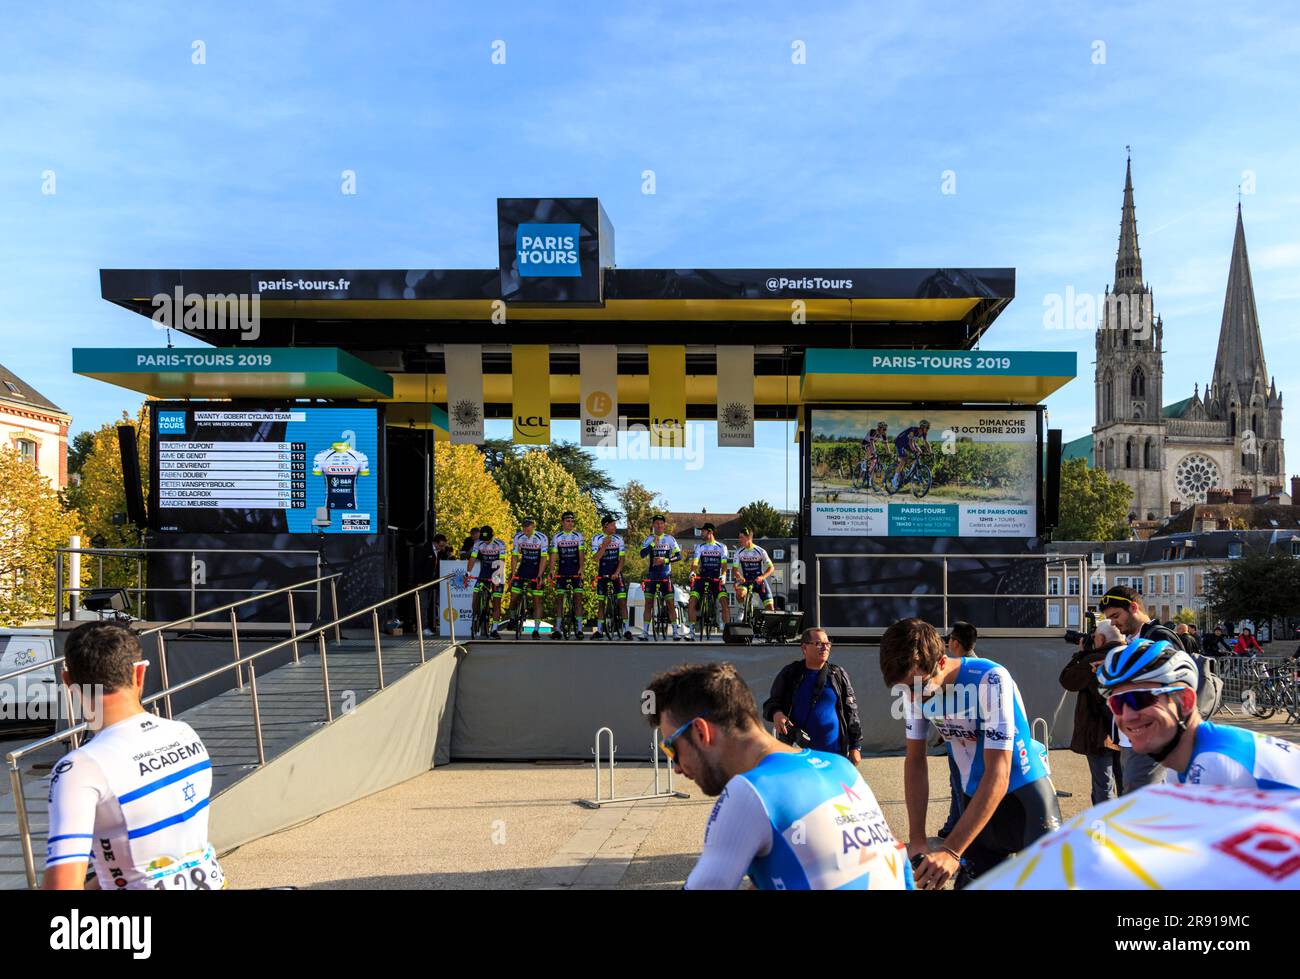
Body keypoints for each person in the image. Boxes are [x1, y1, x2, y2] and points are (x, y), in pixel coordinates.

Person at [646, 661, 912, 890]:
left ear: (702, 732)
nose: (676, 768)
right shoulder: (840, 767)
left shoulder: (749, 791)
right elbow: (899, 866)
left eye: (671, 749)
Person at [879, 617, 1060, 889]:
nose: (913, 698)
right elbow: (915, 761)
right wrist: (917, 838)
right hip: (974, 798)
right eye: (904, 689)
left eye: (919, 688)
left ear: (941, 662)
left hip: (1025, 798)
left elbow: (999, 771)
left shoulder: (989, 678)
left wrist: (951, 850)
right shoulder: (914, 683)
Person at [44, 622, 225, 890]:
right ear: (139, 673)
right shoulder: (184, 733)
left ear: (68, 682)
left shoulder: (78, 769)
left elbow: (63, 886)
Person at [1097, 636, 1300, 790]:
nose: (1128, 715)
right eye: (1117, 703)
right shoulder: (1186, 761)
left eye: (1139, 699)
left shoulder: (1215, 765)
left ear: (1185, 701)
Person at [1097, 586, 1184, 793]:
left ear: (1134, 607)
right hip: (1133, 735)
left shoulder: (1159, 637)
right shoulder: (1131, 640)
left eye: (1116, 615)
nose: (1113, 623)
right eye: (1109, 618)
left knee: (1139, 799)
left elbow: (1174, 684)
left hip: (1152, 735)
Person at [761, 627, 863, 762]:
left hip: (833, 753)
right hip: (797, 753)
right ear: (804, 648)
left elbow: (851, 711)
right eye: (818, 643)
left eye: (827, 644)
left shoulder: (837, 674)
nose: (825, 647)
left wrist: (855, 747)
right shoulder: (790, 673)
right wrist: (777, 714)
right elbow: (772, 703)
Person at [1060, 618, 1127, 804]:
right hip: (1128, 731)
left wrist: (1081, 654)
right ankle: (1129, 826)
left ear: (1101, 639)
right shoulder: (1132, 655)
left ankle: (1105, 829)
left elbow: (1068, 680)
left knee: (1103, 785)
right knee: (1126, 783)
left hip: (1099, 733)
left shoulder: (1093, 660)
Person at [638, 514, 683, 640]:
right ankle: (645, 632)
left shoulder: (670, 539)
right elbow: (642, 554)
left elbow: (678, 556)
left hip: (665, 575)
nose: (659, 525)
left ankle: (675, 632)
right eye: (657, 523)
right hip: (652, 576)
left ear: (664, 525)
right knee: (648, 604)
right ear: (653, 525)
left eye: (661, 523)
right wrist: (653, 544)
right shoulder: (648, 539)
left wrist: (665, 560)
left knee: (670, 603)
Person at [590, 515, 633, 640]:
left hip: (616, 573)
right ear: (605, 526)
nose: (615, 527)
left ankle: (626, 630)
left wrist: (617, 572)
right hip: (602, 573)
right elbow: (595, 558)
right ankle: (599, 630)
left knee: (622, 601)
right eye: (613, 524)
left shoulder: (619, 539)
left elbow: (622, 558)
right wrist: (603, 546)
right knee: (601, 603)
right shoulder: (596, 539)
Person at [685, 523, 730, 641]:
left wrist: (724, 575)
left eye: (703, 531)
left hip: (716, 578)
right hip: (703, 577)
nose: (701, 533)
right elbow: (695, 562)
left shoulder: (722, 547)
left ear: (710, 532)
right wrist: (693, 572)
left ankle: (727, 631)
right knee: (692, 601)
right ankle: (691, 632)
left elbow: (724, 564)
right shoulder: (700, 547)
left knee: (724, 602)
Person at [508, 517, 549, 640]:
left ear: (533, 527)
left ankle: (536, 630)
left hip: (537, 569)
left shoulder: (542, 538)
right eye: (524, 528)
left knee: (537, 600)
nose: (525, 531)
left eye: (528, 528)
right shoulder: (518, 537)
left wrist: (540, 575)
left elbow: (543, 558)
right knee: (514, 596)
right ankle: (513, 617)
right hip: (523, 569)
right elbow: (515, 556)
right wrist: (513, 572)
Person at [466, 525, 508, 639]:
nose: (486, 542)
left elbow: (502, 560)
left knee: (496, 601)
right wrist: (468, 573)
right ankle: (475, 617)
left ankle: (494, 630)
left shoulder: (500, 544)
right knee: (475, 593)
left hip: (497, 572)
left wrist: (498, 576)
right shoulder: (478, 544)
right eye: (484, 540)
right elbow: (473, 558)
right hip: (484, 573)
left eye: (488, 539)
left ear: (492, 536)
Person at [548, 511, 586, 640]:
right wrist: (552, 570)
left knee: (578, 598)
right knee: (559, 599)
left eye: (572, 521)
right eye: (568, 521)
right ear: (562, 522)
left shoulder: (578, 536)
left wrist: (581, 568)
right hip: (562, 570)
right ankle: (558, 629)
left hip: (575, 570)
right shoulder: (557, 537)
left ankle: (580, 629)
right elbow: (553, 555)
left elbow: (581, 554)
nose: (570, 523)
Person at [731, 527, 776, 617]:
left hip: (759, 581)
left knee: (770, 608)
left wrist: (762, 577)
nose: (739, 540)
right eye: (739, 537)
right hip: (746, 581)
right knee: (739, 593)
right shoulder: (739, 552)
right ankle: (742, 607)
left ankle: (769, 629)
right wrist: (739, 577)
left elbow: (771, 568)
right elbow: (735, 570)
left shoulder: (760, 551)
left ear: (749, 538)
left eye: (741, 537)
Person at [890, 418, 931, 492]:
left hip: (908, 443)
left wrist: (930, 452)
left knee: (919, 453)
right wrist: (914, 450)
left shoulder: (924, 433)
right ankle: (894, 479)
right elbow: (910, 442)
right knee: (904, 459)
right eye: (927, 427)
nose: (928, 429)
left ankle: (913, 470)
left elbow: (926, 442)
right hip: (900, 442)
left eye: (929, 428)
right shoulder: (913, 430)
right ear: (922, 427)